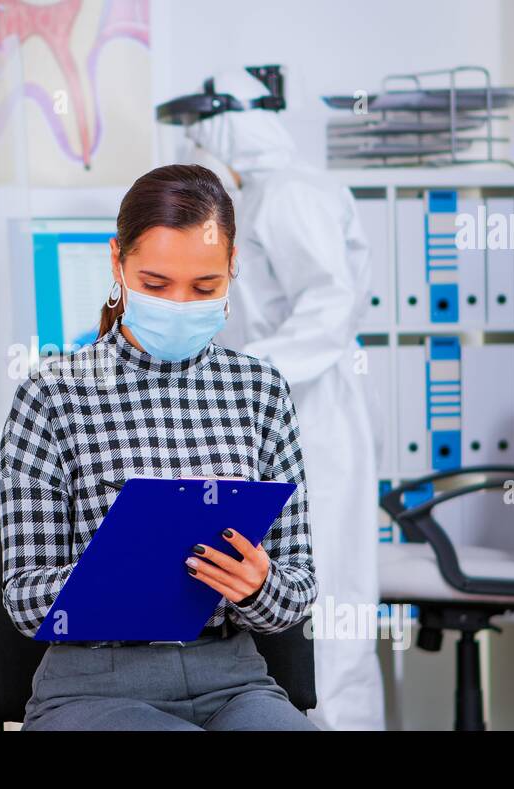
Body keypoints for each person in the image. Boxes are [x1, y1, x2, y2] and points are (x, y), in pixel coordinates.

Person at [0, 163, 319, 731]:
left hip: (235, 679)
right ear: (117, 261)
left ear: (232, 267)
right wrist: (115, 576)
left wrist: (259, 586)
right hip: (92, 686)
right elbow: (24, 599)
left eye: (204, 287)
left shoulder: (261, 391)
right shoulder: (50, 395)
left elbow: (299, 585)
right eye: (154, 284)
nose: (179, 303)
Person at [183, 69, 386, 731]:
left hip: (316, 425)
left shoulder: (293, 193)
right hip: (275, 421)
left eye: (195, 136)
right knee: (280, 604)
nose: (190, 152)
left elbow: (328, 307)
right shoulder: (256, 198)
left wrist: (239, 376)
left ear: (229, 129)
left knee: (330, 616)